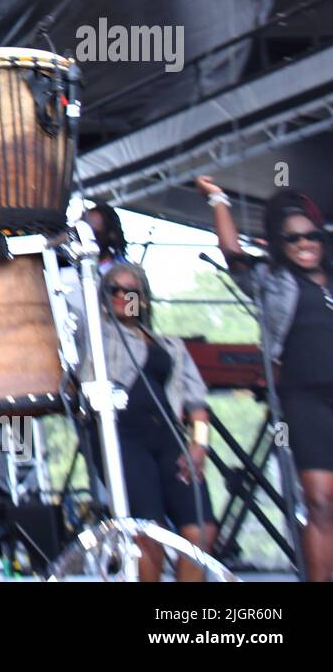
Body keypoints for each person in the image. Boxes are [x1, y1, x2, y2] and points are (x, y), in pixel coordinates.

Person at [197, 175, 333, 581]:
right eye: (292, 239)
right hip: (304, 400)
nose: (304, 244)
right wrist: (219, 198)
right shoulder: (274, 282)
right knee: (320, 502)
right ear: (279, 243)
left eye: (310, 236)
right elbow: (232, 253)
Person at [82, 262, 217, 581]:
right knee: (148, 533)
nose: (120, 296)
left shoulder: (171, 345)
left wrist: (199, 444)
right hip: (124, 437)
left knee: (202, 529)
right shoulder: (97, 335)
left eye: (129, 291)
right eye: (112, 289)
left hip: (169, 437)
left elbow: (198, 404)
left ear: (142, 299)